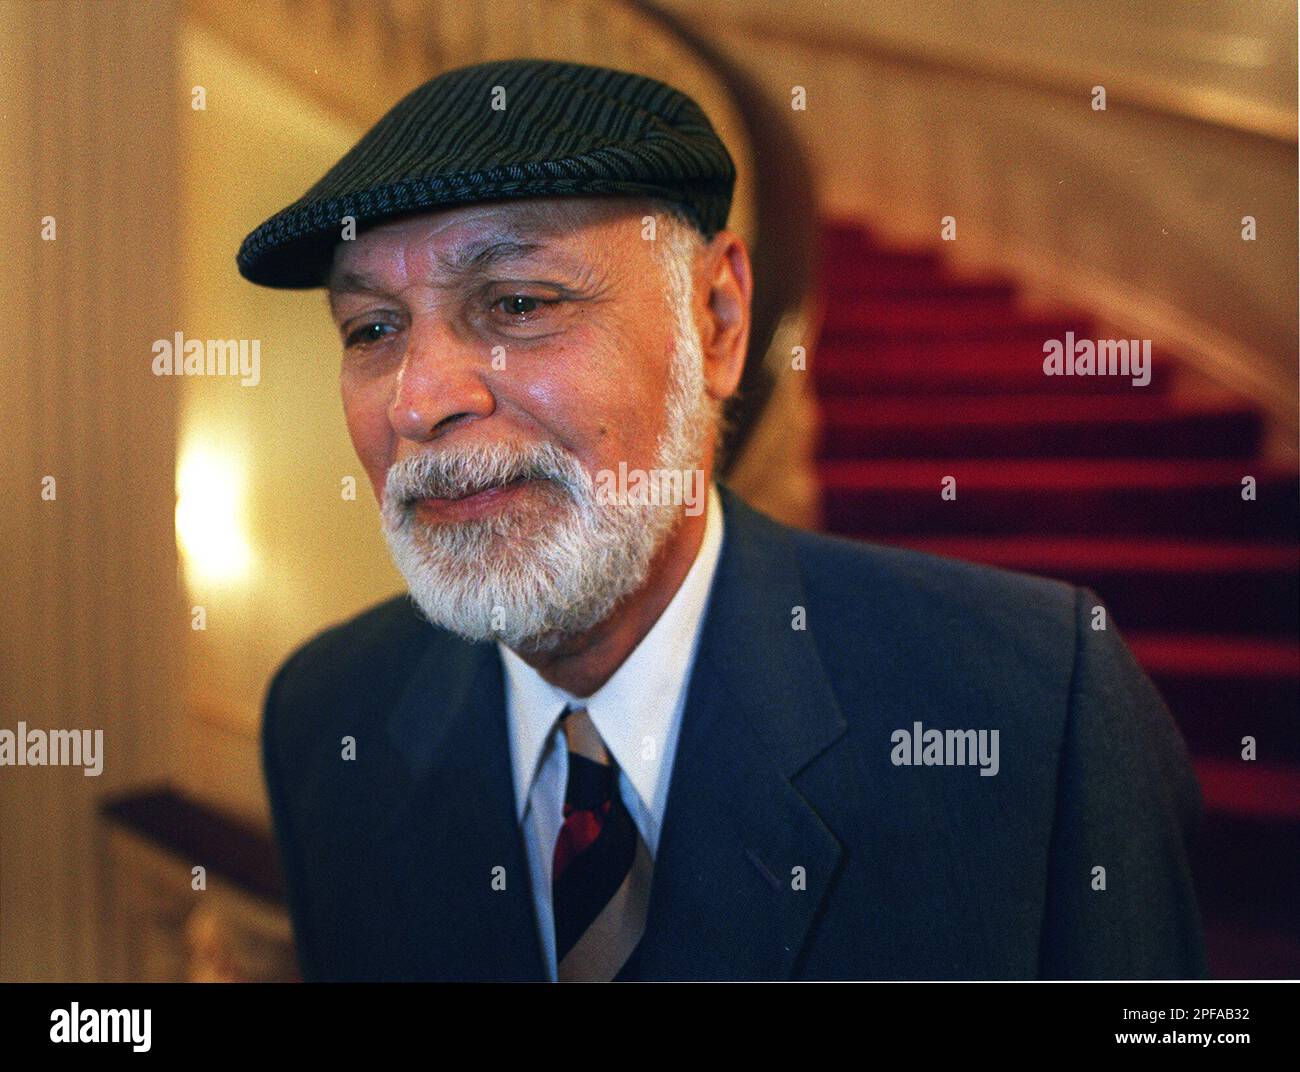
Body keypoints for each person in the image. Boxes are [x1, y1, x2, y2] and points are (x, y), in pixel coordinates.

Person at [241, 58, 1207, 982]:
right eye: (372, 329)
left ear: (718, 319)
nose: (418, 401)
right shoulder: (330, 721)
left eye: (517, 302)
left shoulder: (1027, 708)